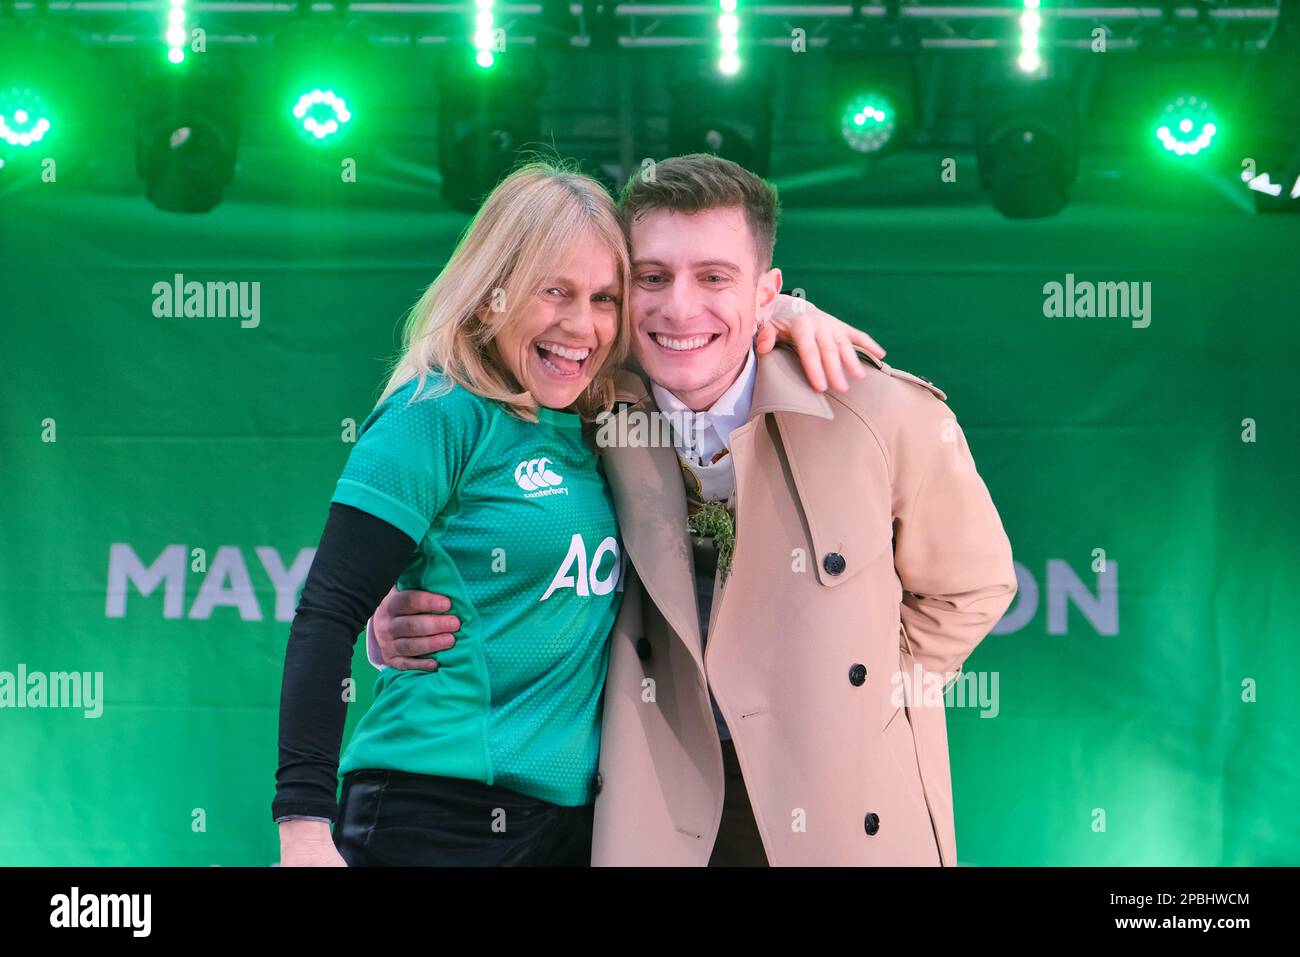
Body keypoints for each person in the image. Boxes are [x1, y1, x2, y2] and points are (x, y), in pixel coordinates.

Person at [371, 153, 1018, 866]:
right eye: (652, 277)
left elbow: (974, 587)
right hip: (661, 804)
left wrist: (864, 697)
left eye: (714, 277)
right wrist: (390, 609)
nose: (680, 307)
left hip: (837, 808)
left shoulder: (881, 413)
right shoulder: (587, 406)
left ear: (767, 290)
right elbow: (475, 505)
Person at [273, 158, 876, 866]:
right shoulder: (434, 414)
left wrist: (786, 310)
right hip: (435, 812)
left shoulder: (600, 418)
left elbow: (698, 317)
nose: (579, 325)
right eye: (552, 291)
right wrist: (304, 828)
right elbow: (328, 610)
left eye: (603, 297)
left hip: (575, 826)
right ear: (492, 290)